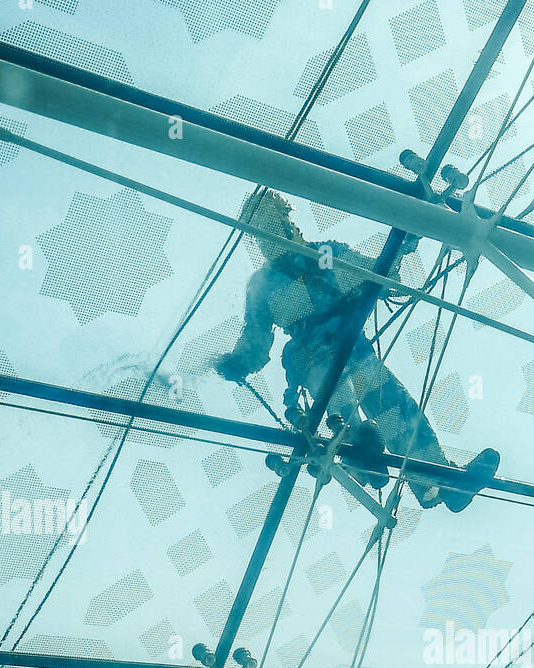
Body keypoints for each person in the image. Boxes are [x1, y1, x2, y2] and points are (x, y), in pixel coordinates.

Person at [213, 189, 499, 512]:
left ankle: (438, 480)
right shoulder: (264, 284)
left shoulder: (325, 255)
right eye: (260, 231)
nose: (267, 238)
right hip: (315, 358)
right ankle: (364, 450)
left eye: (269, 224)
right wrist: (236, 362)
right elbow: (256, 339)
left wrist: (403, 242)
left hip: (353, 351)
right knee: (341, 400)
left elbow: (379, 274)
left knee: (395, 408)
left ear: (286, 222)